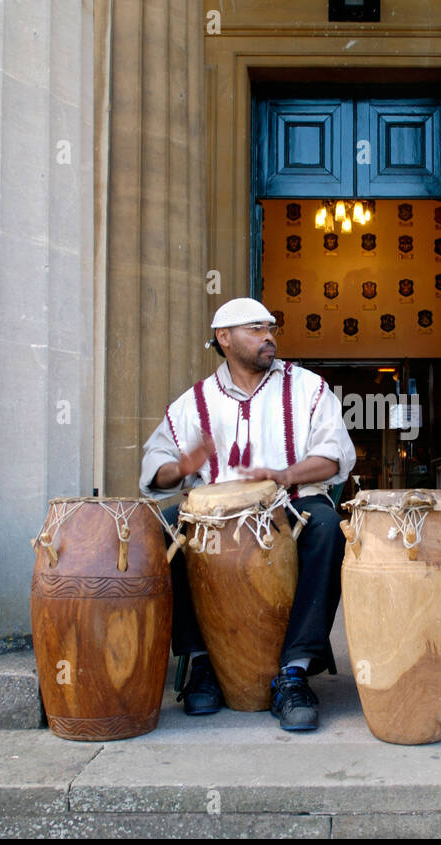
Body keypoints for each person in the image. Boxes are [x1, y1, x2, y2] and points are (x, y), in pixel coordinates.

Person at [140, 297, 355, 732]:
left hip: (291, 503)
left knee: (330, 528)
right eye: (255, 329)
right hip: (215, 515)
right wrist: (181, 468)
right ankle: (202, 662)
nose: (269, 337)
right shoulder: (194, 403)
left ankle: (294, 670)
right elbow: (155, 469)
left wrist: (284, 473)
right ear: (224, 338)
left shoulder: (308, 388)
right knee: (162, 534)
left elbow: (333, 458)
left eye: (271, 328)